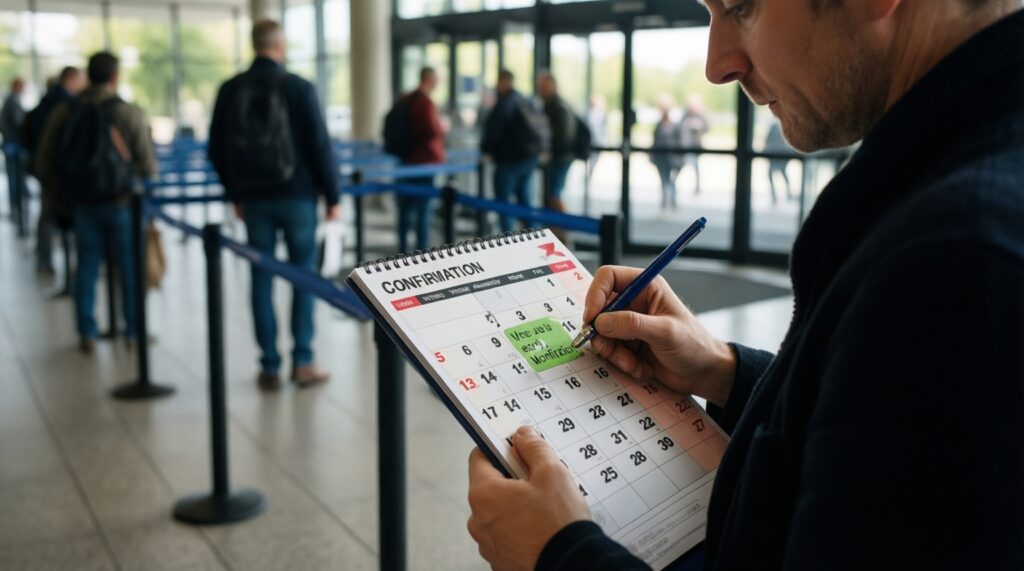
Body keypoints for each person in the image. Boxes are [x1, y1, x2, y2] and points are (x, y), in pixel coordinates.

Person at [467, 1, 1024, 569]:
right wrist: (727, 373)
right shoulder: (954, 184)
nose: (717, 65)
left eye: (742, 6)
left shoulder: (959, 265)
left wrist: (559, 553)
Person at [208, 19, 339, 391]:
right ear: (280, 45)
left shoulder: (230, 89)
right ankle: (302, 361)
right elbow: (319, 145)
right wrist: (333, 197)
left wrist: (235, 193)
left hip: (253, 201)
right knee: (304, 276)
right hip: (298, 197)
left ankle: (268, 364)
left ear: (254, 45)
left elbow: (216, 149)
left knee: (260, 278)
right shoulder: (299, 88)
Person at [34, 53, 155, 354]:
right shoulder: (126, 112)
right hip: (122, 201)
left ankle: (86, 332)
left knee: (86, 265)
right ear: (115, 76)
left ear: (89, 75)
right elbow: (147, 163)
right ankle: (132, 330)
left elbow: (45, 160)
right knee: (128, 268)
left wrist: (60, 196)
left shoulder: (66, 110)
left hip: (83, 203)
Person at [25, 66, 85, 273]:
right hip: (58, 171)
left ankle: (44, 257)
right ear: (72, 79)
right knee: (52, 214)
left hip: (48, 168)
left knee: (47, 215)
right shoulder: (64, 104)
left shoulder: (47, 100)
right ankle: (48, 260)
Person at [481, 69, 548, 232]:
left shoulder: (504, 104)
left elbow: (494, 131)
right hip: (528, 159)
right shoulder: (526, 101)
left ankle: (508, 241)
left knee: (504, 204)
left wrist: (487, 149)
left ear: (503, 82)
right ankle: (533, 239)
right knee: (525, 201)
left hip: (509, 161)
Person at [395, 66, 446, 252]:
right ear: (429, 79)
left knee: (405, 210)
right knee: (423, 210)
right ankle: (421, 251)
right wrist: (442, 126)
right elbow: (431, 130)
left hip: (406, 161)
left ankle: (402, 250)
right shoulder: (424, 102)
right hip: (423, 163)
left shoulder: (407, 99)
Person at [536, 72, 577, 243]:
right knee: (553, 194)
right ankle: (556, 233)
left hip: (560, 158)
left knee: (554, 194)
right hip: (559, 157)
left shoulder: (557, 106)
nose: (540, 90)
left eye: (544, 86)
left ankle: (563, 235)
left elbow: (563, 135)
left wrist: (551, 152)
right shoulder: (553, 104)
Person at [1, 78, 28, 223]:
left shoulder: (11, 100)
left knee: (15, 176)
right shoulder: (13, 101)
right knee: (14, 176)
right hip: (13, 145)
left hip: (10, 143)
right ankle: (15, 206)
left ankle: (16, 204)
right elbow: (19, 122)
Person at [650, 96, 683, 210]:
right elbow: (654, 140)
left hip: (672, 157)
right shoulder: (659, 124)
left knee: (670, 181)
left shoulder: (675, 124)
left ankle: (672, 202)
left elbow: (680, 141)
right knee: (665, 180)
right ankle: (665, 203)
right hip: (661, 157)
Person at [680, 94, 709, 196]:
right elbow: (680, 127)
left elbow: (707, 127)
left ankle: (697, 187)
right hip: (685, 145)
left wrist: (698, 126)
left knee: (695, 167)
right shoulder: (686, 115)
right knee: (682, 166)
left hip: (696, 146)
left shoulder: (701, 115)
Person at [764, 120, 794, 204]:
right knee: (781, 173)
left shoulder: (775, 125)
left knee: (775, 174)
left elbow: (767, 140)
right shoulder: (781, 124)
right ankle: (785, 194)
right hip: (780, 153)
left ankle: (777, 196)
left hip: (776, 153)